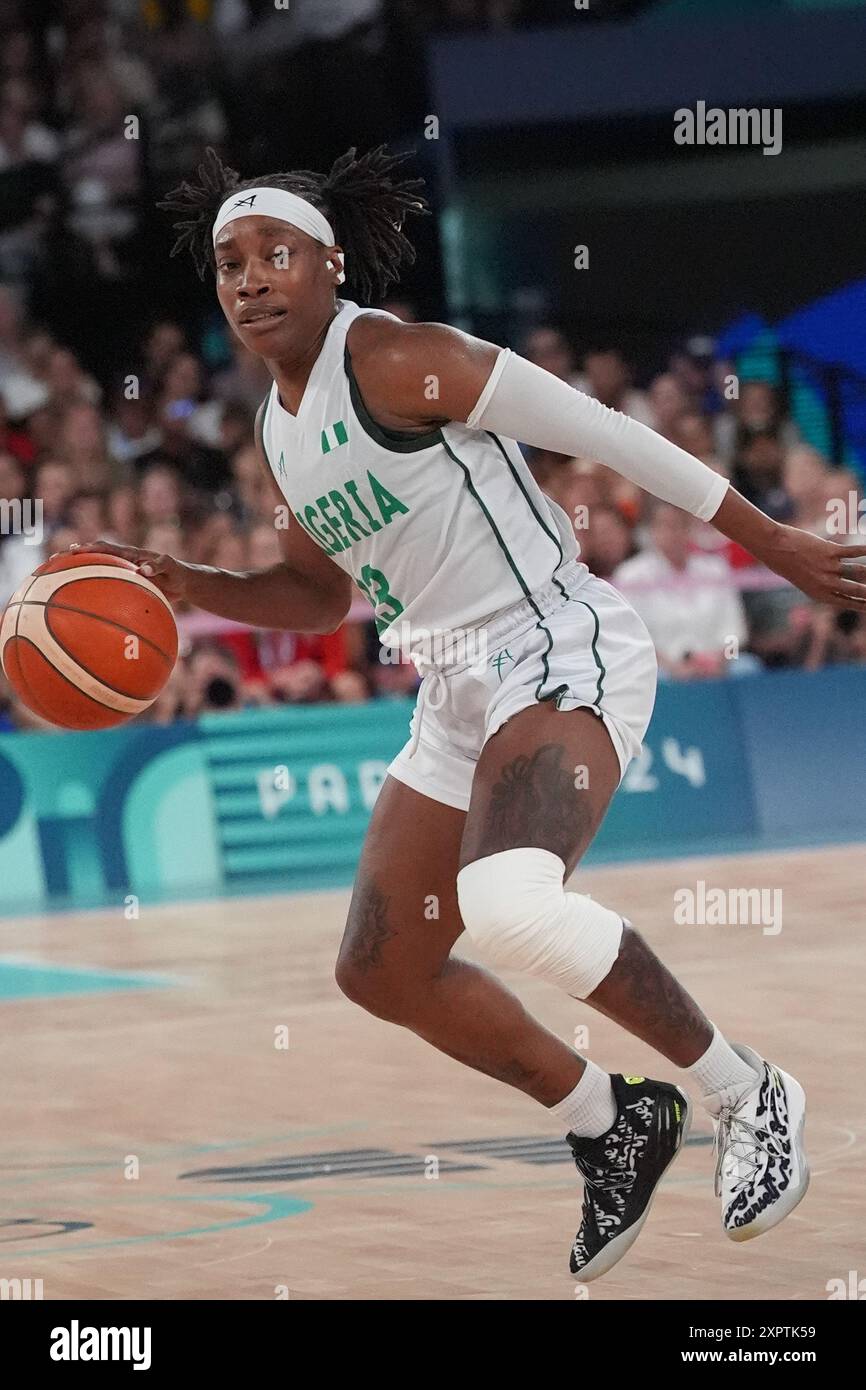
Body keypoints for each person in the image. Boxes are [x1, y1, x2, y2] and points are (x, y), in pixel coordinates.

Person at [77, 145, 866, 1283]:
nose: (249, 279)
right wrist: (187, 582)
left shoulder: (399, 359)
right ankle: (609, 1121)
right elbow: (319, 594)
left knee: (505, 902)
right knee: (381, 968)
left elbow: (606, 432)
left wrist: (773, 540)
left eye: (274, 254)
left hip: (551, 636)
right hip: (450, 684)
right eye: (229, 263)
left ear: (329, 262)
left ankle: (752, 1093)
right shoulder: (280, 429)